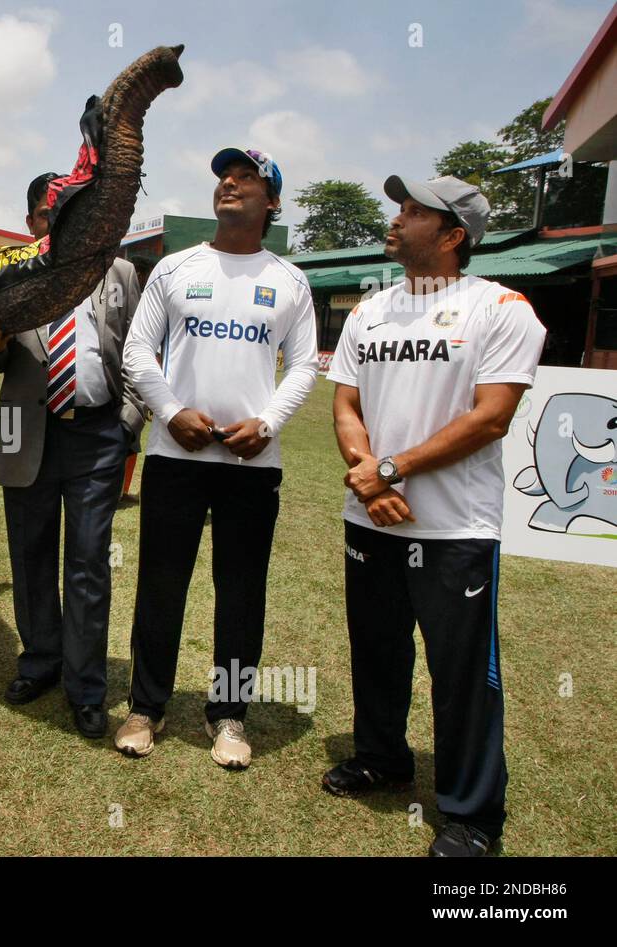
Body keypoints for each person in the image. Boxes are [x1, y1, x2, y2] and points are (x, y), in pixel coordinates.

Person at [324, 175, 545, 857]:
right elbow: (346, 405)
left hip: (455, 527)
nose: (397, 219)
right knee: (378, 650)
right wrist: (369, 479)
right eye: (399, 207)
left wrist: (393, 469)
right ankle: (382, 756)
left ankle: (473, 814)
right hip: (372, 519)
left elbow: (491, 417)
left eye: (414, 212)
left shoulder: (502, 308)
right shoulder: (370, 311)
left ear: (453, 237)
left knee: (461, 674)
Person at [119, 148, 318, 764]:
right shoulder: (175, 268)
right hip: (175, 456)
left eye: (248, 178)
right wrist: (172, 412)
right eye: (224, 177)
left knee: (240, 590)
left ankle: (229, 716)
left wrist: (268, 423)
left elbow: (306, 364)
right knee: (160, 584)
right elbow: (137, 351)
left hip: (250, 463)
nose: (230, 183)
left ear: (272, 201)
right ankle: (145, 708)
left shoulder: (289, 279)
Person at [0, 172, 145, 739]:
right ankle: (40, 662)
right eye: (49, 214)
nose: (61, 223)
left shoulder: (116, 270)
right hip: (26, 430)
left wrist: (126, 425)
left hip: (97, 435)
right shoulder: (8, 271)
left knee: (90, 561)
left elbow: (141, 352)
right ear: (31, 224)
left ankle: (86, 687)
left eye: (70, 212)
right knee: (31, 554)